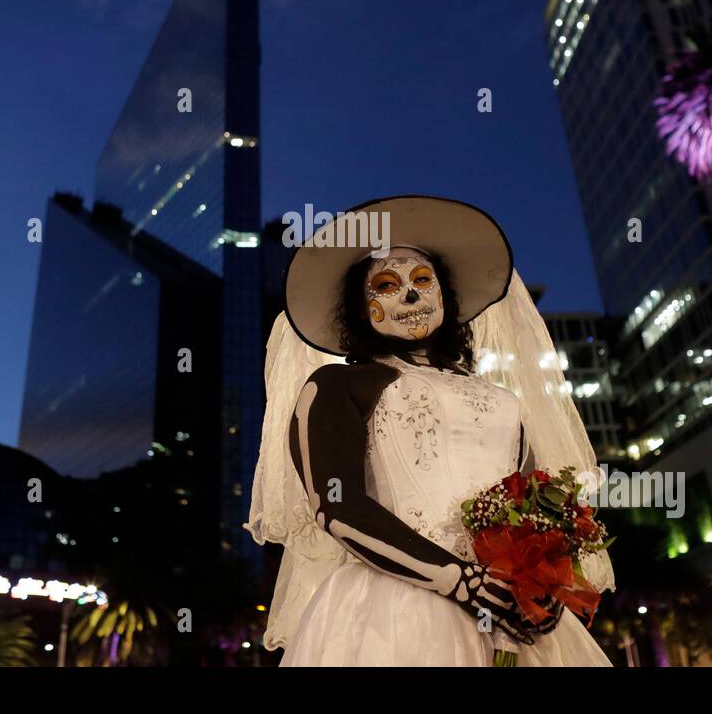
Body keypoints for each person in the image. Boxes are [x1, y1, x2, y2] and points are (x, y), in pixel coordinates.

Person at [248, 195, 614, 666]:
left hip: (512, 616)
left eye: (423, 280)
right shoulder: (337, 385)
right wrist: (462, 582)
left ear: (446, 295)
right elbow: (336, 506)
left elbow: (531, 503)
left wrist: (542, 586)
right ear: (361, 307)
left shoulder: (504, 402)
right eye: (387, 284)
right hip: (394, 611)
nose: (412, 295)